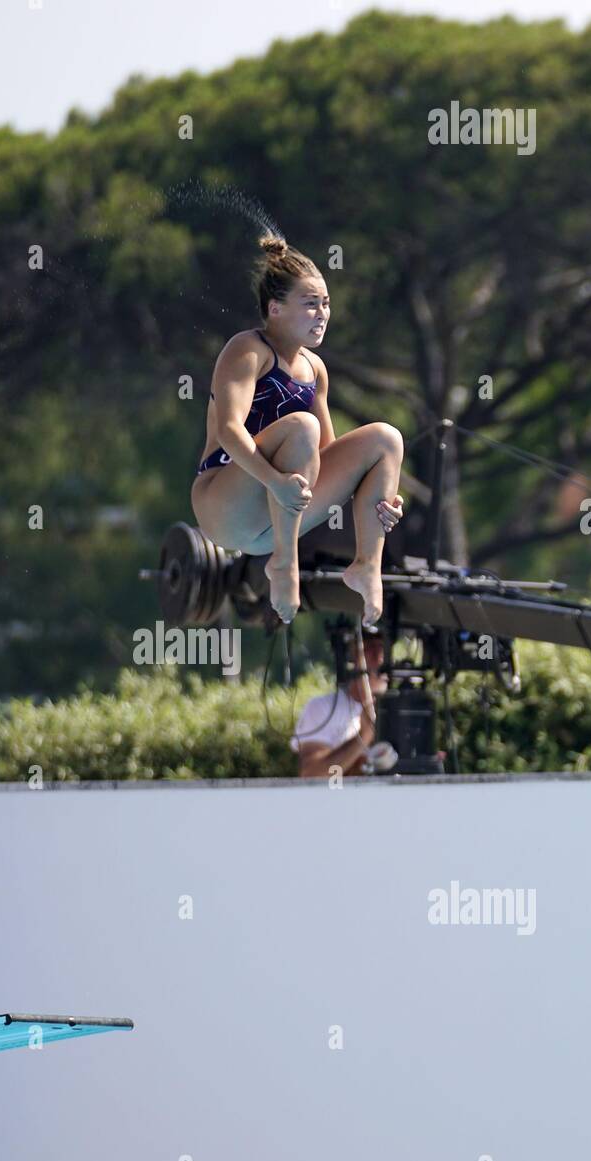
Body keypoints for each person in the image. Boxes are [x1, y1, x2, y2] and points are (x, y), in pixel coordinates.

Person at [191, 233, 404, 626]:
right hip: (225, 504)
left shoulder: (315, 369)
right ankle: (285, 566)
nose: (322, 313)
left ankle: (365, 566)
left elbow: (326, 457)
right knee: (301, 427)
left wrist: (381, 500)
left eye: (325, 304)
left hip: (281, 511)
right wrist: (274, 481)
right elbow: (228, 432)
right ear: (275, 309)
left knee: (386, 439)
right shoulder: (247, 350)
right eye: (309, 305)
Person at [291, 633, 388, 778]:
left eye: (383, 648)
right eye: (369, 648)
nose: (379, 658)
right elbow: (312, 774)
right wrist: (363, 737)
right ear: (351, 658)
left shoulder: (404, 709)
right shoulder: (323, 707)